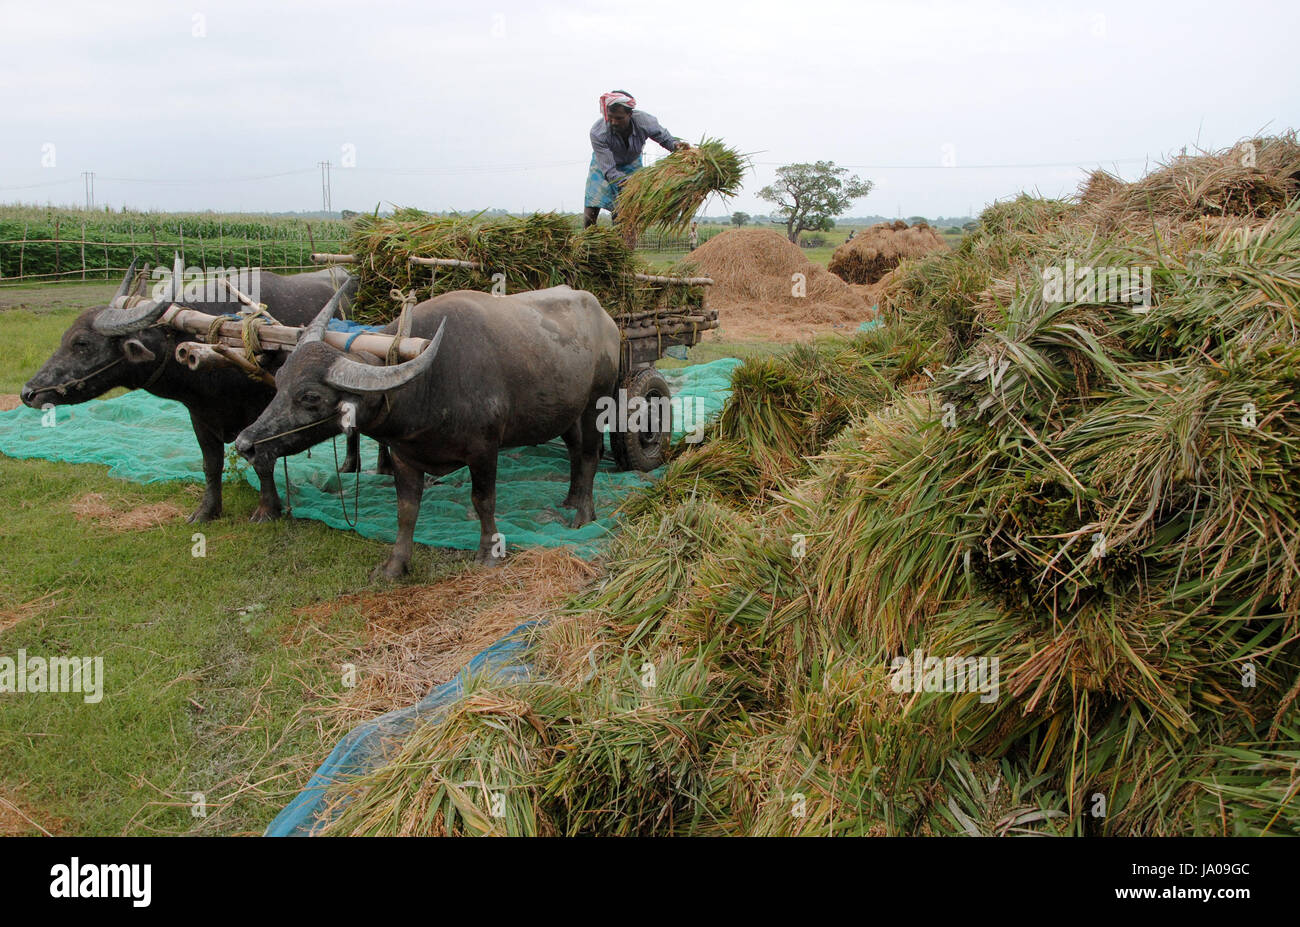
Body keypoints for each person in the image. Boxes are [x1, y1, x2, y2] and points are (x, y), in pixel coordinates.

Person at [584, 90, 690, 229]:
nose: (614, 122)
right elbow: (609, 171)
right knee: (592, 207)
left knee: (625, 212)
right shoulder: (598, 132)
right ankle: (587, 242)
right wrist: (627, 184)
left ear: (630, 114)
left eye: (619, 118)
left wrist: (677, 146)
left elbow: (664, 138)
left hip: (631, 163)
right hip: (603, 165)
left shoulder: (645, 121)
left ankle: (622, 245)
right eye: (610, 117)